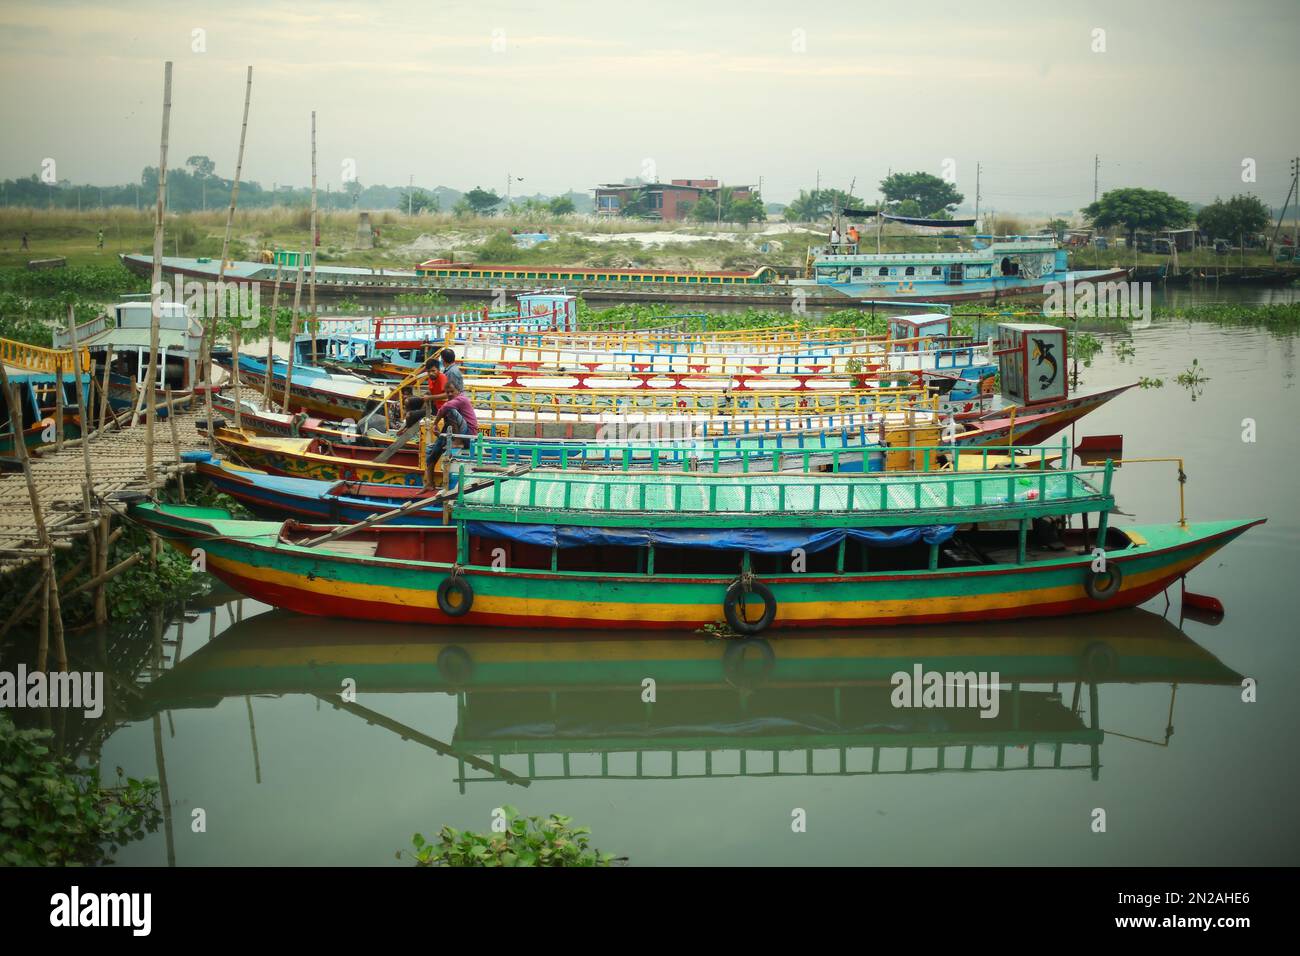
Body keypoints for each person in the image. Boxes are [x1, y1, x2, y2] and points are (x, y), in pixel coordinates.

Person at [425, 381, 478, 483]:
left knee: (450, 411)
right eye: (447, 392)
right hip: (458, 432)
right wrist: (440, 436)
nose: (449, 394)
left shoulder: (462, 399)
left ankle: (458, 442)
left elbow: (444, 408)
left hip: (468, 436)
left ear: (458, 391)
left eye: (452, 392)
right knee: (432, 451)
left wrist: (435, 423)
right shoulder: (452, 402)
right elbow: (443, 411)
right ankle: (429, 483)